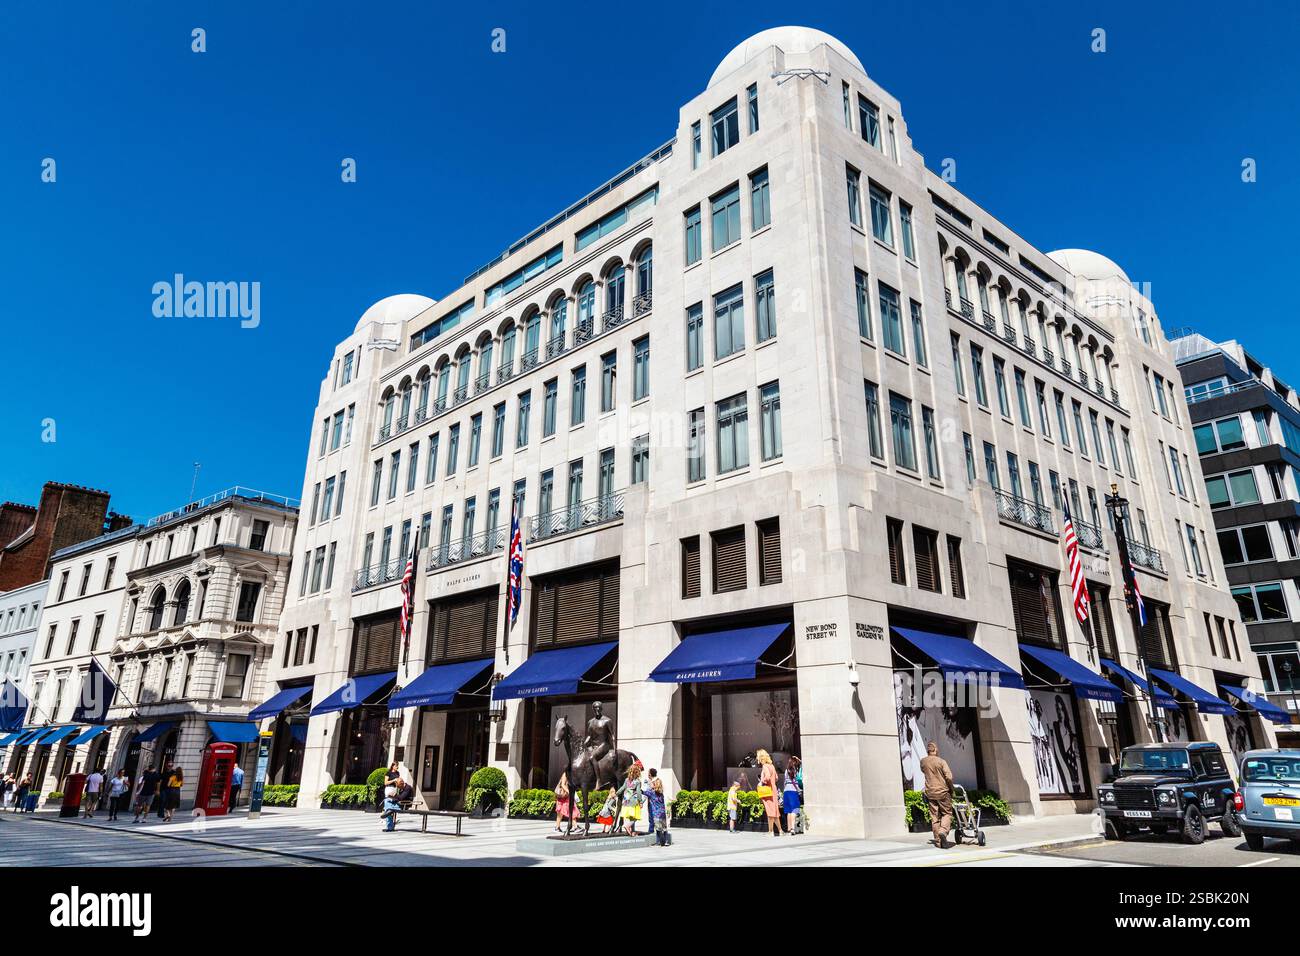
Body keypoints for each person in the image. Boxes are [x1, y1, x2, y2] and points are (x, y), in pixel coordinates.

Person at [920, 741, 955, 848]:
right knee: (947, 813)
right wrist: (951, 788)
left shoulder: (923, 762)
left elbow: (924, 771)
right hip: (943, 792)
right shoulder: (941, 761)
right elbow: (949, 777)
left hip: (930, 792)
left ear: (928, 750)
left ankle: (939, 842)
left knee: (934, 817)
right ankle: (943, 831)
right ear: (936, 750)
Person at [757, 749, 781, 837]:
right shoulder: (772, 766)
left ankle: (771, 832)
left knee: (770, 811)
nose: (757, 759)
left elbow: (767, 777)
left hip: (768, 791)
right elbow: (777, 778)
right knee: (774, 811)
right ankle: (780, 831)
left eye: (758, 757)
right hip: (773, 789)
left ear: (761, 758)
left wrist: (761, 782)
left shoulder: (765, 766)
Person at [617, 763, 645, 836]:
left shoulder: (626, 780)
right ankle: (627, 826)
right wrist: (641, 802)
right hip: (633, 802)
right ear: (637, 772)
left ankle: (632, 831)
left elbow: (622, 788)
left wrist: (617, 793)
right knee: (635, 817)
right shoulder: (638, 782)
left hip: (626, 801)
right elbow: (638, 792)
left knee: (630, 817)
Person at [783, 755, 802, 836]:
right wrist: (798, 759)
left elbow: (784, 782)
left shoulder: (786, 770)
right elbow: (802, 763)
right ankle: (793, 829)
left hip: (786, 791)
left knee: (788, 811)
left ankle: (789, 828)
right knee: (794, 810)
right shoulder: (795, 770)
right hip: (793, 791)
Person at [648, 774, 669, 847]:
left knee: (658, 829)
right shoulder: (661, 793)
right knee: (664, 828)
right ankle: (666, 841)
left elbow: (644, 792)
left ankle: (659, 842)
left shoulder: (652, 793)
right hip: (662, 813)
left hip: (656, 814)